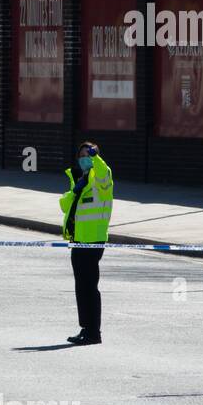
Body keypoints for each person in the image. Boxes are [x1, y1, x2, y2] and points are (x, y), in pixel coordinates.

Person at [60, 141, 113, 345]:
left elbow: (101, 169)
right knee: (81, 286)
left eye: (88, 155)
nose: (85, 159)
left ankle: (94, 333)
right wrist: (75, 191)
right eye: (81, 156)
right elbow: (64, 206)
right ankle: (85, 328)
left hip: (94, 241)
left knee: (90, 286)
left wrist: (96, 156)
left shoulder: (102, 178)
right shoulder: (78, 179)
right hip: (79, 240)